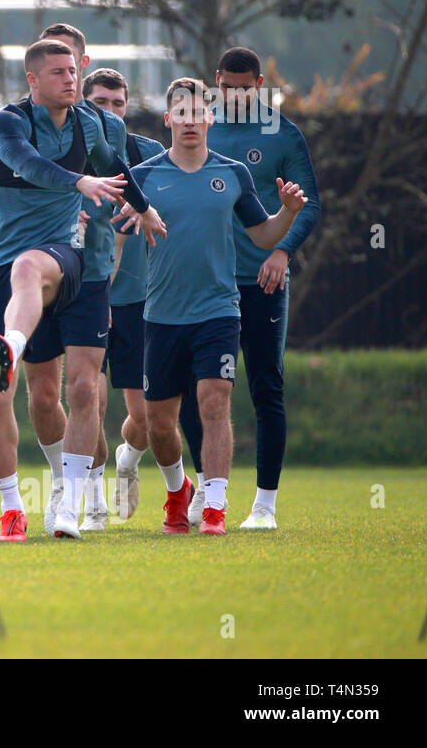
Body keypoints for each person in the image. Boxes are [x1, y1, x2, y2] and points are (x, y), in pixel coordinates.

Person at [0, 38, 165, 542]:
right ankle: (12, 508)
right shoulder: (7, 123)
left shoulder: (89, 122)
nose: (70, 79)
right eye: (57, 72)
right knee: (1, 395)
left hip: (67, 258)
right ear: (32, 80)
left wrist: (142, 206)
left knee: (82, 386)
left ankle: (69, 505)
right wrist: (80, 182)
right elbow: (29, 165)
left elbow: (116, 164)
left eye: (72, 70)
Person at [119, 78, 307, 535]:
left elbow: (262, 236)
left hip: (219, 311)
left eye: (197, 113)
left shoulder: (234, 174)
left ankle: (217, 507)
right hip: (160, 315)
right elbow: (116, 245)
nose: (189, 121)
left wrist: (288, 213)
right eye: (179, 114)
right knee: (159, 424)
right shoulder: (142, 179)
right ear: (168, 120)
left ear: (210, 118)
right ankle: (177, 491)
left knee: (214, 401)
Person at [178, 47, 321, 529]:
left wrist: (282, 251)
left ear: (259, 86)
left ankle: (264, 506)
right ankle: (205, 490)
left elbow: (310, 204)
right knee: (197, 391)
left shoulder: (282, 133)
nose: (236, 95)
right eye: (228, 87)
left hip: (262, 281)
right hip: (206, 284)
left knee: (266, 386)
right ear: (217, 81)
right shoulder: (200, 126)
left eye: (245, 88)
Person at [81, 68, 167, 522]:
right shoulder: (73, 150)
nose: (109, 111)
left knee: (149, 418)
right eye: (99, 103)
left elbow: (170, 210)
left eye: (117, 103)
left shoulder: (149, 155)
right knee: (89, 403)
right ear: (84, 102)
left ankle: (127, 462)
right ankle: (93, 502)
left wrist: (144, 206)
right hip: (87, 296)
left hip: (139, 299)